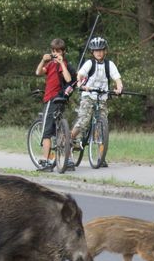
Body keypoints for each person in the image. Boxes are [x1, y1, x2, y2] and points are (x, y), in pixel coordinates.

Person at [71, 36, 123, 168]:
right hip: (89, 96)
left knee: (102, 126)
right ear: (92, 52)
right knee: (84, 121)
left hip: (102, 98)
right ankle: (69, 140)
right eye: (96, 50)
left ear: (105, 51)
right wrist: (81, 84)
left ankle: (101, 157)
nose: (99, 52)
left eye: (101, 50)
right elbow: (80, 75)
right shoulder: (89, 63)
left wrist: (119, 88)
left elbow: (117, 79)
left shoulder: (109, 64)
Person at [34, 38, 75, 171]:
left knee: (47, 132)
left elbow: (68, 79)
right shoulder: (50, 64)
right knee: (58, 130)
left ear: (63, 52)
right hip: (51, 99)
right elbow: (38, 72)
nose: (55, 53)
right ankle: (65, 160)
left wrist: (62, 63)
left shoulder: (65, 65)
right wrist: (43, 60)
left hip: (55, 99)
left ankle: (46, 161)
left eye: (58, 51)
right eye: (53, 51)